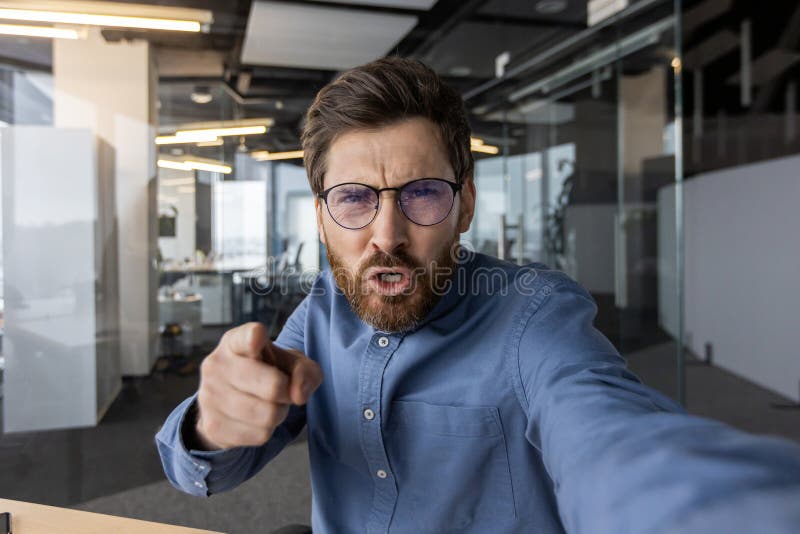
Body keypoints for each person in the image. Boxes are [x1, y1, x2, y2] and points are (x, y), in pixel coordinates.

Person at [156, 58, 800, 533]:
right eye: (354, 199)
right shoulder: (322, 310)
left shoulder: (533, 317)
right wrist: (214, 423)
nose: (388, 235)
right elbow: (202, 471)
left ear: (464, 205)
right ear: (321, 217)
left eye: (423, 193)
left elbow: (609, 438)